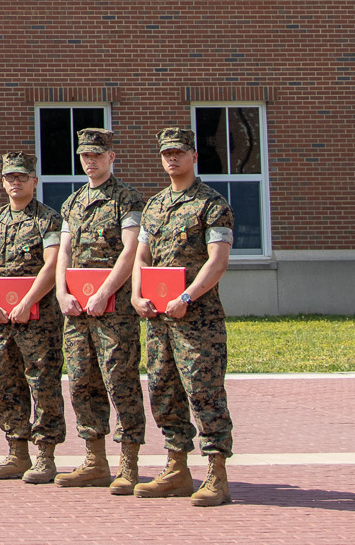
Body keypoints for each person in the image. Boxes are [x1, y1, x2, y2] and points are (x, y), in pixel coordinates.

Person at [133, 126, 236, 506]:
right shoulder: (154, 205)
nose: (172, 158)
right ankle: (177, 469)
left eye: (178, 152)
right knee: (163, 391)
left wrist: (187, 297)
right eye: (166, 153)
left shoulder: (212, 204)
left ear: (194, 156)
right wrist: (136, 294)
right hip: (159, 320)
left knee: (204, 392)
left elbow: (218, 260)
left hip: (198, 320)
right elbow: (142, 256)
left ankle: (217, 475)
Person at [52, 126, 145, 491]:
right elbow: (64, 251)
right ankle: (95, 460)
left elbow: (130, 250)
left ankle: (129, 463)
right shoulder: (72, 203)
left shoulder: (127, 199)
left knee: (120, 381)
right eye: (85, 156)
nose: (90, 161)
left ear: (111, 157)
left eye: (96, 155)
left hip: (114, 309)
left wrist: (105, 292)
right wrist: (61, 292)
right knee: (81, 382)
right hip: (77, 311)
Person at [0, 152, 65, 484]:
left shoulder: (48, 220)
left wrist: (27, 302)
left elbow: (52, 265)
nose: (16, 182)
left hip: (38, 319)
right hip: (0, 320)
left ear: (34, 181)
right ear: (2, 182)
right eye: (10, 177)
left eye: (22, 177)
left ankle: (45, 456)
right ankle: (17, 452)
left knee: (43, 384)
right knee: (5, 384)